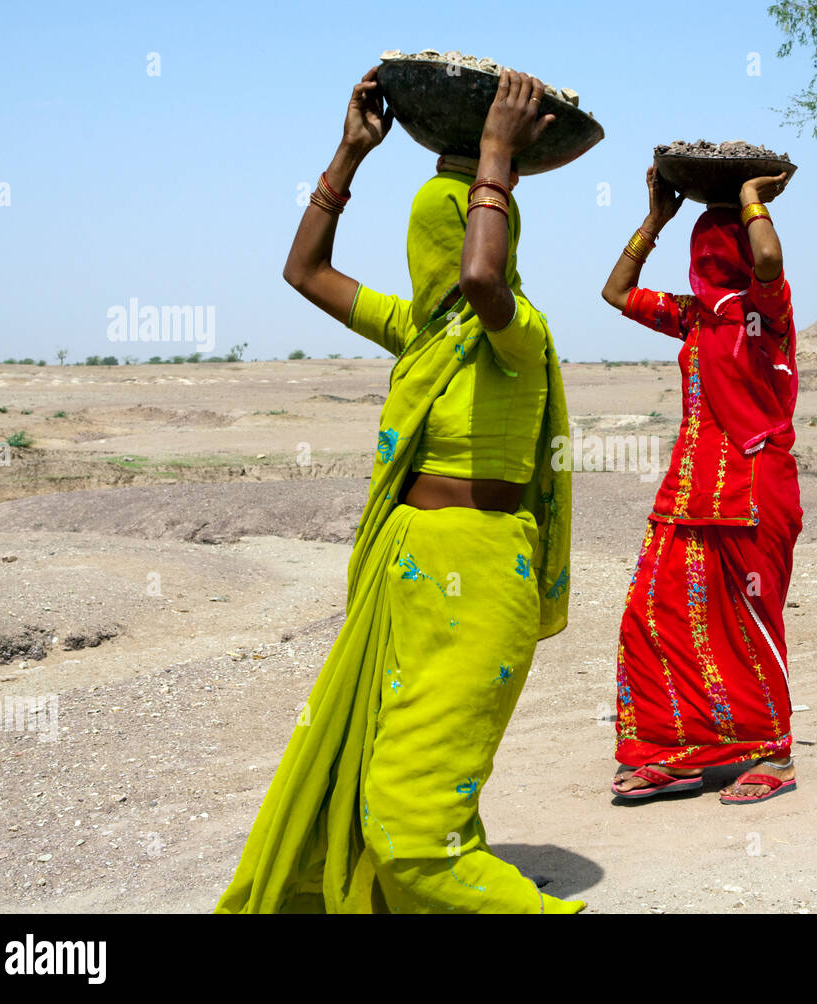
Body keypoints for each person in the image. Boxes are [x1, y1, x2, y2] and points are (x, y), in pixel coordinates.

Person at [214, 67, 581, 913]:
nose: (428, 258)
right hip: (409, 577)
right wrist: (349, 154)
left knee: (411, 828)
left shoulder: (516, 332)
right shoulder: (418, 331)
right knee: (394, 783)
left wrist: (495, 151)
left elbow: (484, 282)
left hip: (482, 583)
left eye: (441, 239)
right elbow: (303, 270)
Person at [600, 166, 803, 804]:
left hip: (753, 487)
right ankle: (670, 754)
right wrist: (655, 220)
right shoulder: (692, 318)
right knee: (652, 618)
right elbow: (616, 292)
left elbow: (769, 257)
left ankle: (771, 753)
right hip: (688, 493)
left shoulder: (765, 313)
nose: (712, 256)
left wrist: (749, 199)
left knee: (748, 623)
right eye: (703, 246)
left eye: (725, 246)